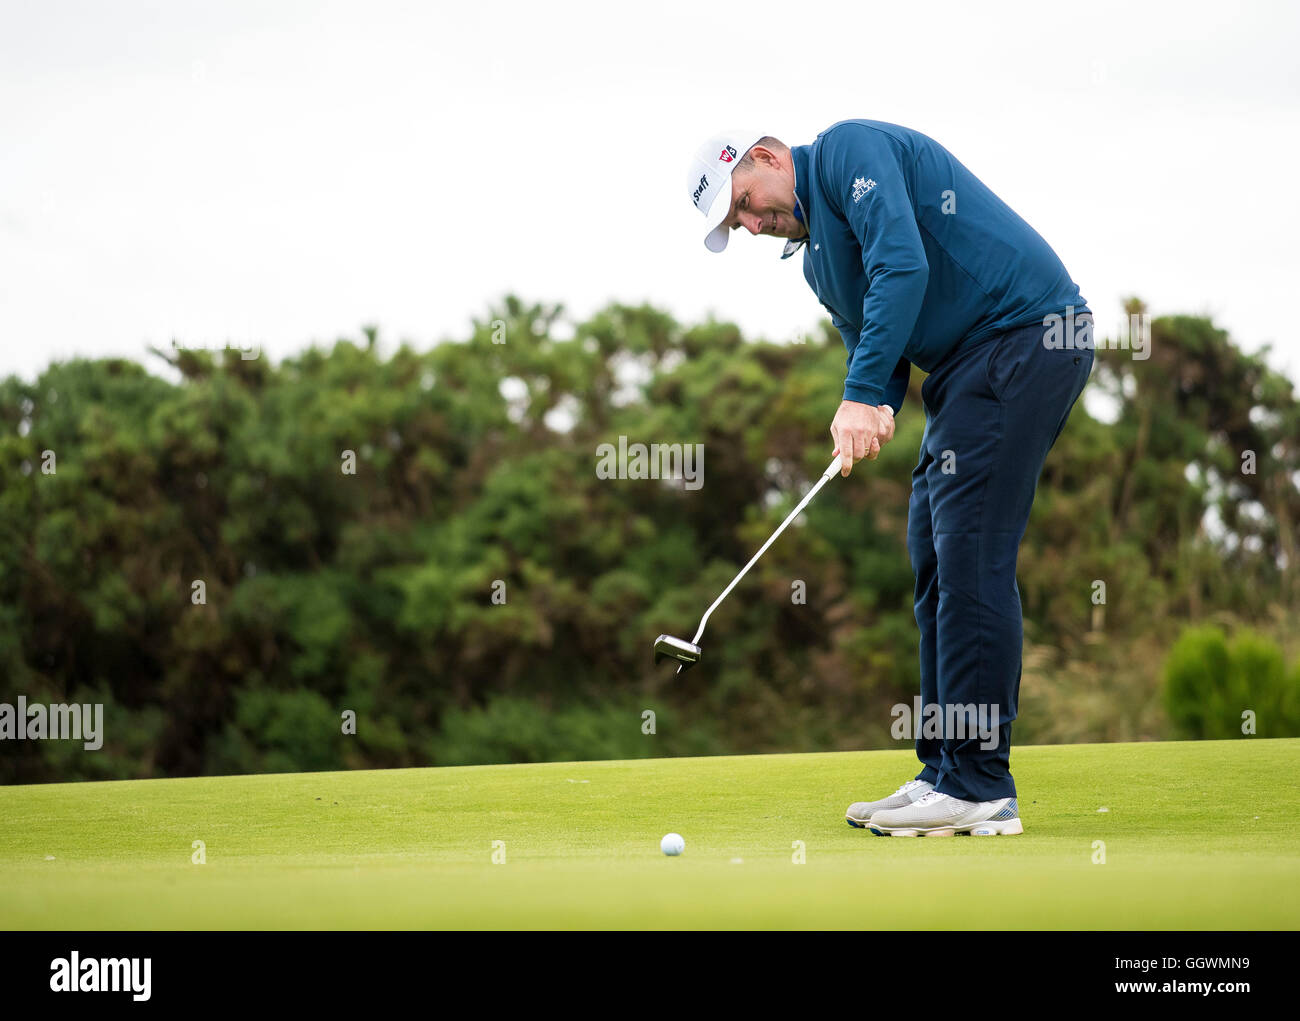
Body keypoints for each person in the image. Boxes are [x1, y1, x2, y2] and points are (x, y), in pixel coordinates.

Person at [685, 121, 1094, 836]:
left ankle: (980, 783)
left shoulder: (848, 151)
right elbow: (880, 339)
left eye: (747, 201)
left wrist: (861, 390)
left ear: (769, 157)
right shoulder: (816, 265)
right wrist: (873, 400)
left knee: (970, 551)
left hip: (1028, 334)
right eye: (738, 221)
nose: (752, 225)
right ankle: (943, 771)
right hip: (972, 367)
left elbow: (903, 266)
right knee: (933, 551)